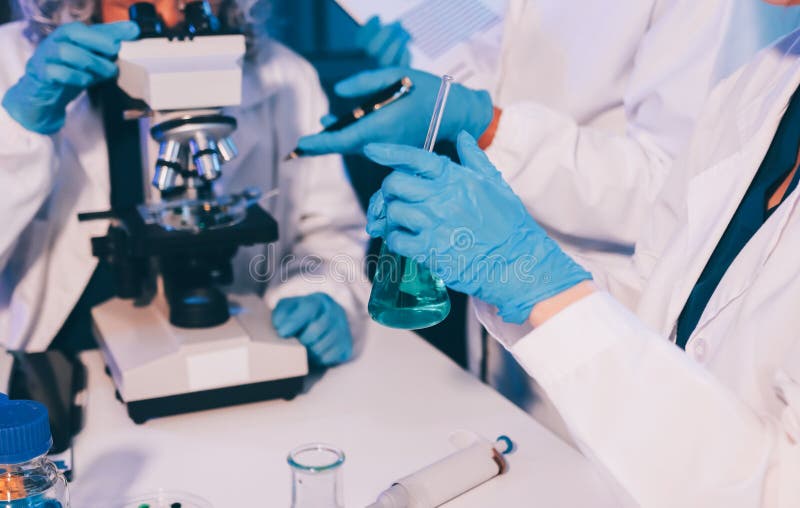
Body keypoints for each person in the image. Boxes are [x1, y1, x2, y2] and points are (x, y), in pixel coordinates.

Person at [359, 2, 800, 501]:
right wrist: (516, 276)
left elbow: (778, 486)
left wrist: (533, 272)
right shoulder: (762, 82)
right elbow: (667, 304)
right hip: (606, 437)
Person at [0, 0, 370, 366]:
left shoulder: (286, 75)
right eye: (138, 4)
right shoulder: (9, 62)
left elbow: (331, 231)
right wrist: (18, 133)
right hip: (53, 362)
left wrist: (324, 293)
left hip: (233, 333)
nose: (169, 19)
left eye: (190, 3)